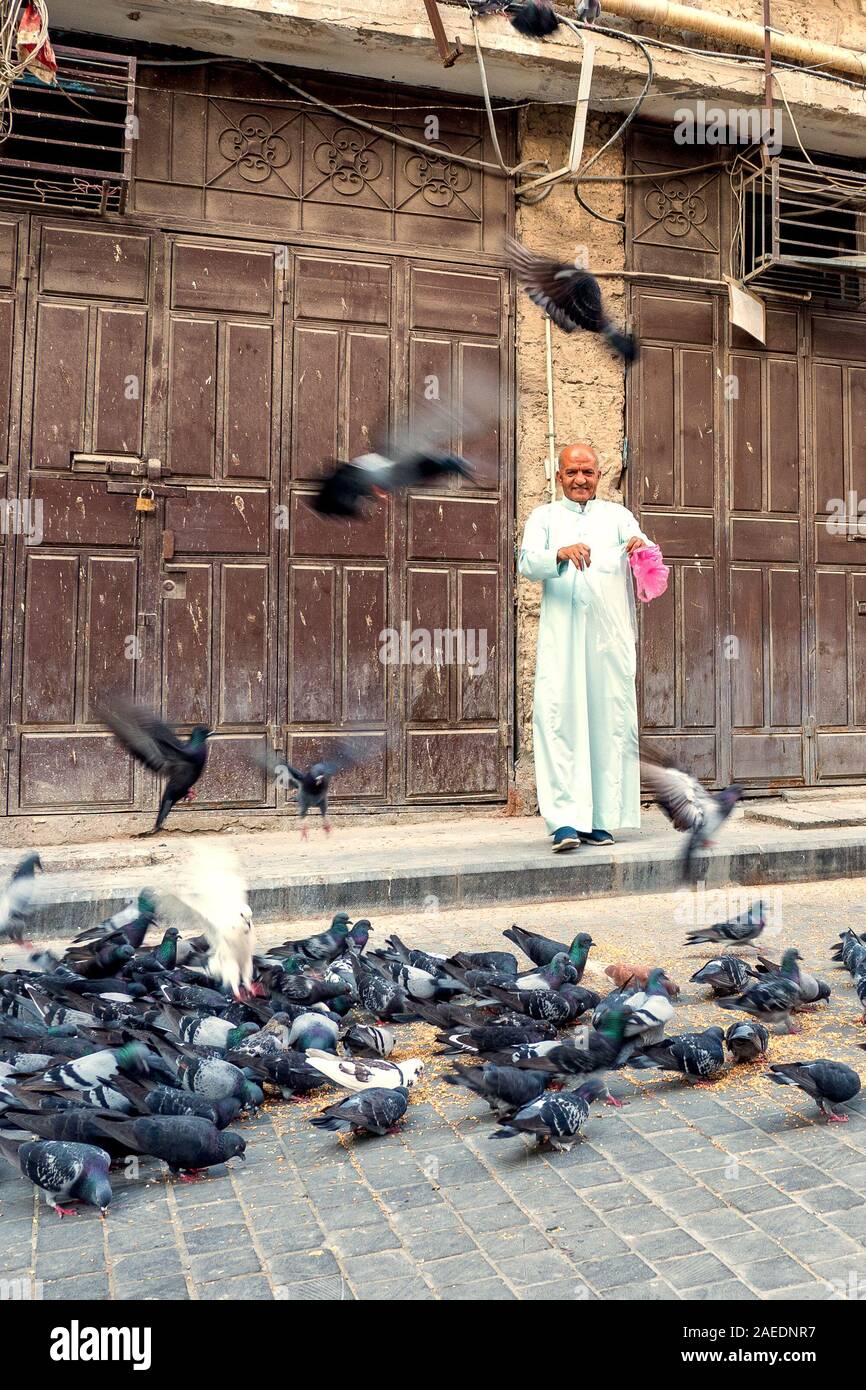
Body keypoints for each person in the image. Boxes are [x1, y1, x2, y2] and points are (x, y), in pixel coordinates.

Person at [518, 443, 649, 852]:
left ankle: (599, 819)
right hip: (563, 641)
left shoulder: (617, 516)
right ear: (559, 477)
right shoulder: (544, 517)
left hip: (606, 645)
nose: (580, 479)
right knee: (558, 721)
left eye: (588, 472)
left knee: (606, 722)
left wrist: (639, 547)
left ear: (598, 476)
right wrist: (559, 553)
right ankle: (562, 823)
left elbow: (644, 551)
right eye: (572, 472)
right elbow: (526, 563)